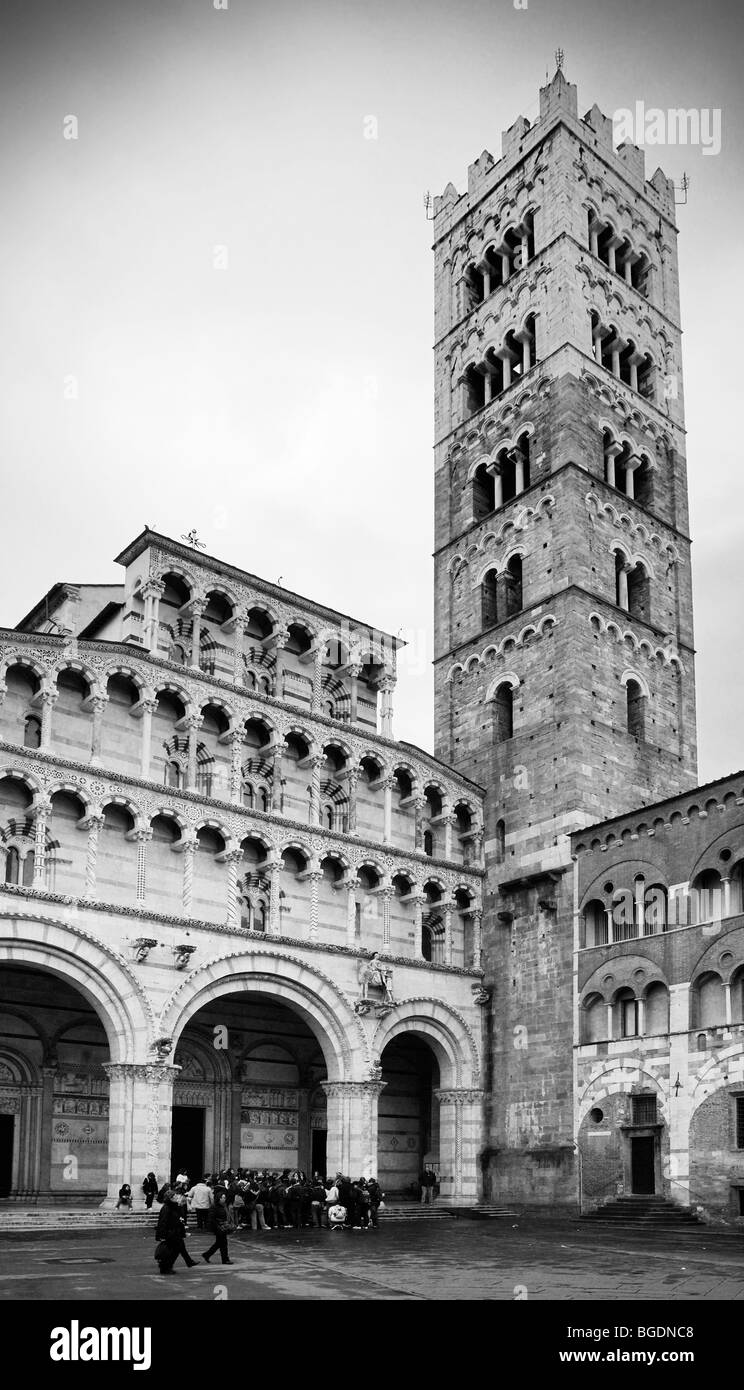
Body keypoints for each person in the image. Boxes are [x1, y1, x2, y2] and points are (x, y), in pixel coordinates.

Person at [155, 1187, 199, 1275]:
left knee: (178, 1249)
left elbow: (179, 1220)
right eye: (174, 1196)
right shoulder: (166, 1208)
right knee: (174, 1251)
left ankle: (168, 1267)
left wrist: (183, 1232)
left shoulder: (174, 1207)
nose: (176, 1197)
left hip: (175, 1232)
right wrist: (162, 1235)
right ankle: (166, 1267)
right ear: (170, 1198)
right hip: (170, 1233)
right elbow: (162, 1222)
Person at [201, 1184, 233, 1266]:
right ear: (219, 1198)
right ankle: (225, 1259)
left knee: (219, 1243)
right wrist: (217, 1227)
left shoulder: (223, 1206)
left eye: (225, 1197)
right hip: (218, 1227)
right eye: (223, 1198)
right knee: (223, 1243)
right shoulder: (214, 1207)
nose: (224, 1199)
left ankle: (207, 1254)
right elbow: (211, 1219)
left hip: (222, 1226)